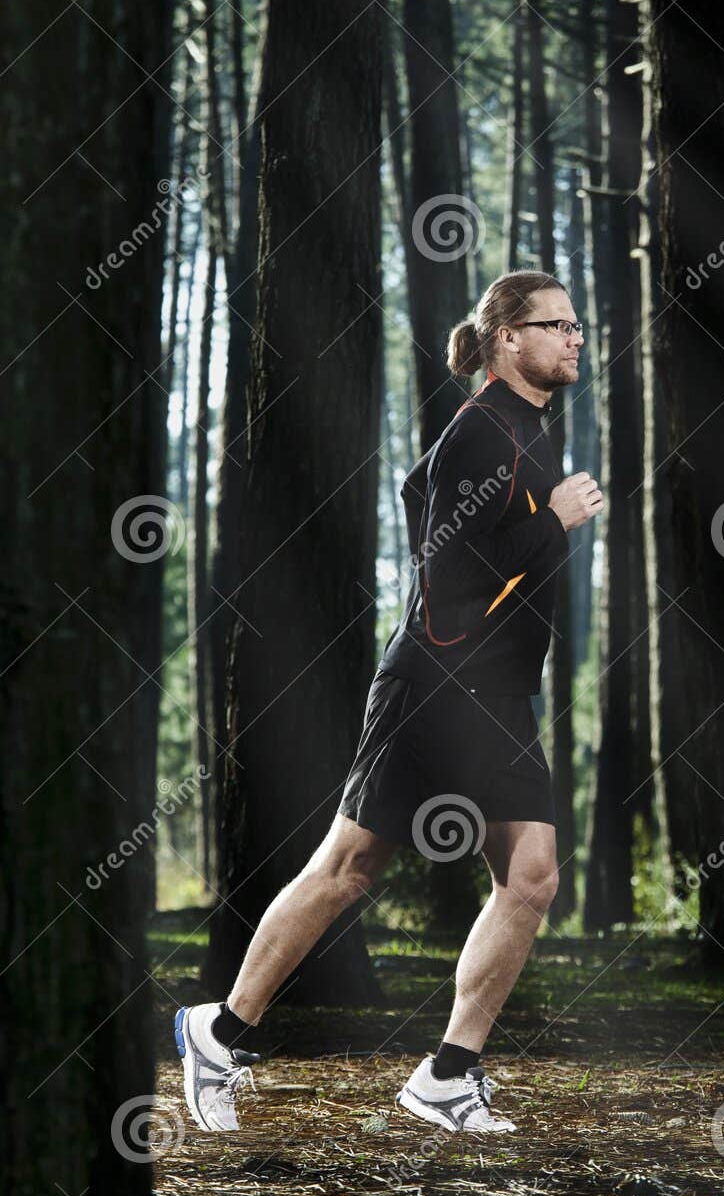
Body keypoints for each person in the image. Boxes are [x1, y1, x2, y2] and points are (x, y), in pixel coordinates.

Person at [176, 270, 603, 1135]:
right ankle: (215, 1035)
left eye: (577, 325)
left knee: (531, 878)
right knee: (347, 871)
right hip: (436, 686)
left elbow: (421, 499)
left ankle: (448, 1074)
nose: (574, 338)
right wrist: (551, 523)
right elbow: (445, 582)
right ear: (506, 340)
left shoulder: (525, 427)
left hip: (497, 695)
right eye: (555, 325)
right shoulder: (483, 433)